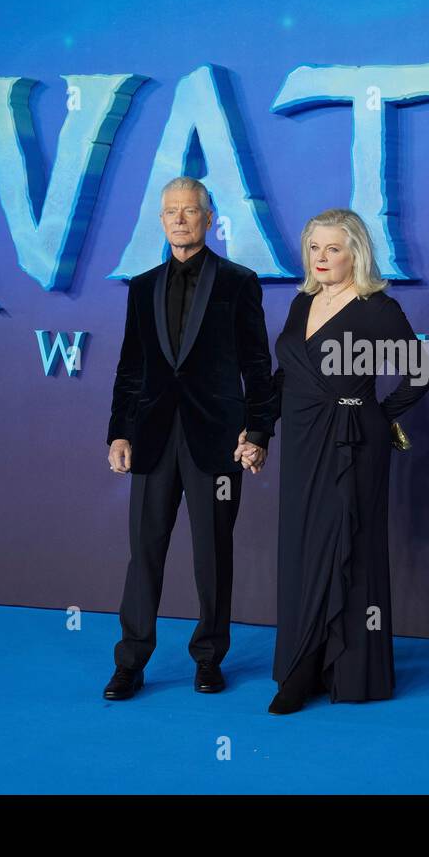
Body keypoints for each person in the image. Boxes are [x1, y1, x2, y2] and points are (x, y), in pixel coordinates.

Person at [102, 176, 274, 700]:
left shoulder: (239, 282)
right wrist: (118, 433)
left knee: (212, 555)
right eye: (171, 211)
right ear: (161, 220)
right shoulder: (142, 286)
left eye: (190, 210)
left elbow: (258, 366)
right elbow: (131, 368)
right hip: (153, 441)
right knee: (143, 554)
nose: (180, 218)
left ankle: (208, 659)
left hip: (216, 440)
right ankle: (130, 661)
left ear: (208, 218)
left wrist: (261, 430)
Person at [257, 208, 429, 714]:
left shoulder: (379, 309)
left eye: (333, 248)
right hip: (303, 444)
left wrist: (377, 414)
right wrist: (257, 431)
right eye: (314, 248)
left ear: (356, 252)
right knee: (301, 550)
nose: (321, 258)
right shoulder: (301, 303)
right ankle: (302, 666)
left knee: (348, 550)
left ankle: (349, 669)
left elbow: (419, 374)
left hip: (353, 445)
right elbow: (283, 377)